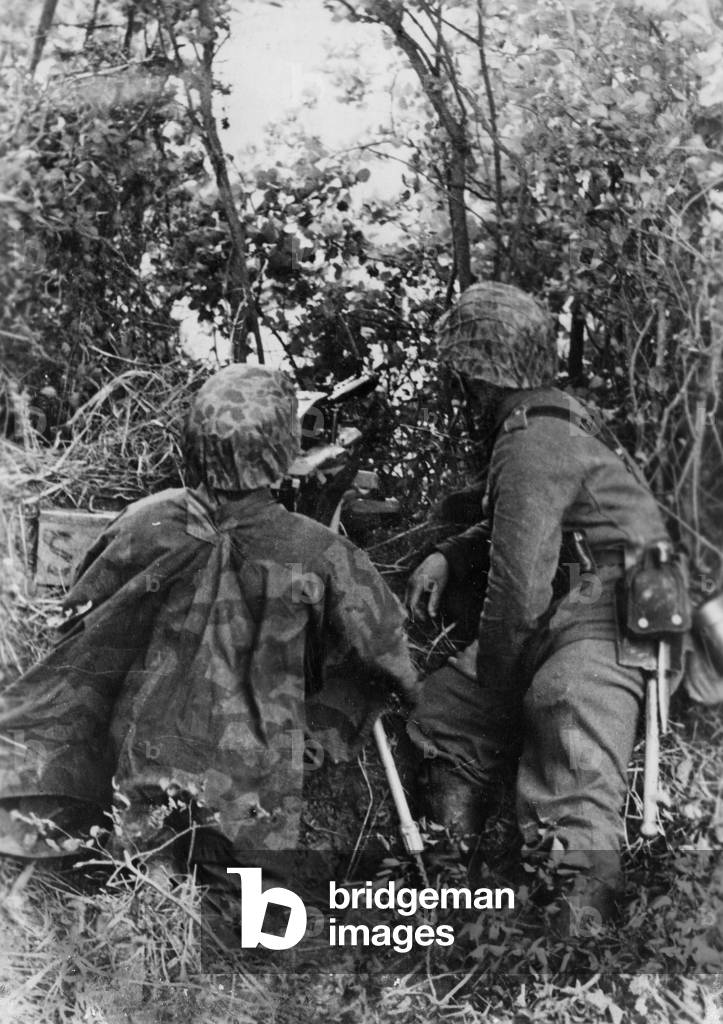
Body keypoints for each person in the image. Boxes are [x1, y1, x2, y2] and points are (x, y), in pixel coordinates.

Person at [0, 365, 419, 880]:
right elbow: (389, 657)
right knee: (236, 901)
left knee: (145, 870)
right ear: (283, 449)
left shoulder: (145, 520)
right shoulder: (324, 553)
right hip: (248, 799)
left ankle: (146, 880)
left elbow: (79, 622)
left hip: (137, 771)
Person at [406, 281, 679, 923]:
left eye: (462, 378)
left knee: (561, 705)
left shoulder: (530, 439)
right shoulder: (551, 421)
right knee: (445, 712)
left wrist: (499, 677)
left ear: (477, 378)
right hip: (593, 591)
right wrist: (454, 553)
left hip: (626, 600)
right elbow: (525, 522)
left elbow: (519, 590)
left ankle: (575, 931)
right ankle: (453, 882)